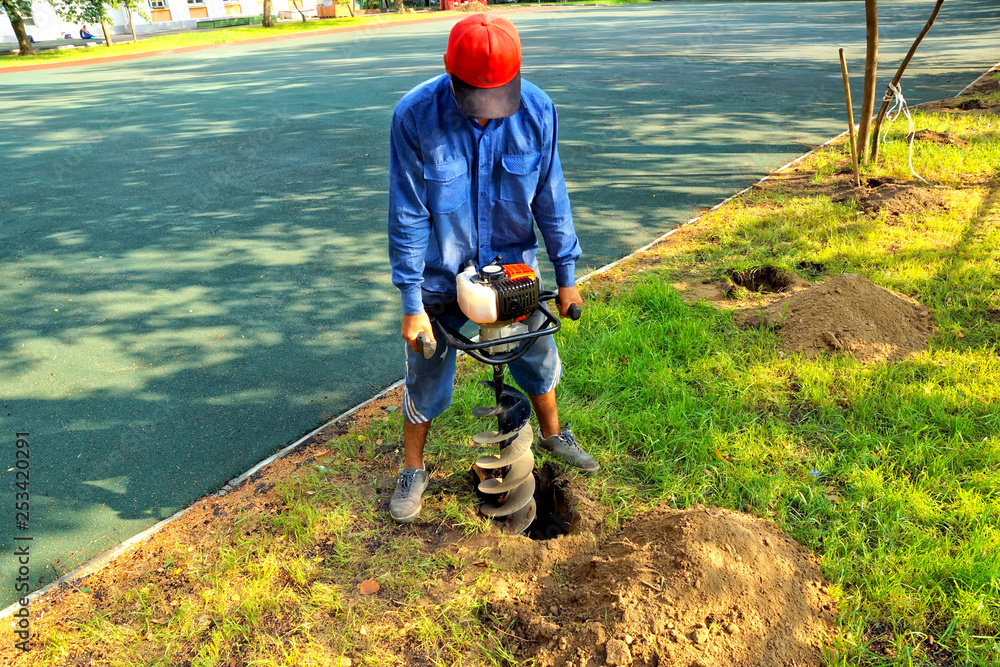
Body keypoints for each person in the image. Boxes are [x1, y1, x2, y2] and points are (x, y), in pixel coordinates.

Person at [386, 13, 597, 525]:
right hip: (441, 276)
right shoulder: (415, 117)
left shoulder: (539, 112)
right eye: (475, 101)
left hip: (513, 272)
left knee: (537, 358)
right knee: (427, 370)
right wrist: (412, 306)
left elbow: (551, 197)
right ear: (448, 71)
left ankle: (552, 435)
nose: (485, 116)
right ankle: (413, 468)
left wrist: (567, 277)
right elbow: (409, 214)